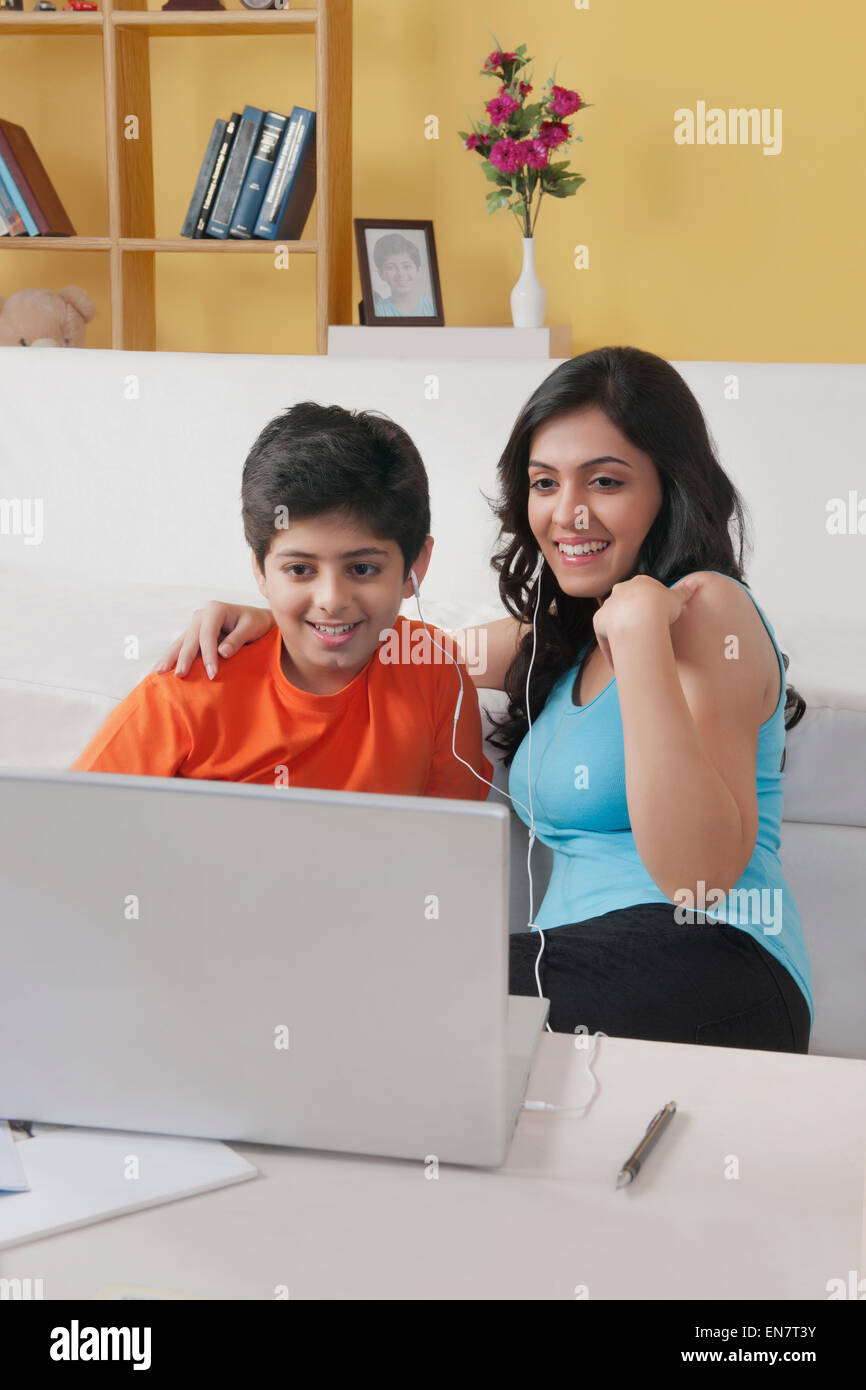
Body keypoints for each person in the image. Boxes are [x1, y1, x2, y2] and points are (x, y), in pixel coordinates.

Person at [155, 347, 813, 1053]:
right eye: (544, 482)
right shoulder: (555, 646)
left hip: (717, 964)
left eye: (606, 481)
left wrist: (644, 642)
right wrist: (277, 624)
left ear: (669, 488)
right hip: (581, 963)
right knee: (351, 994)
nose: (569, 513)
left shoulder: (704, 610)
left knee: (372, 990)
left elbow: (698, 882)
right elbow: (381, 641)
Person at [73, 401, 492, 801]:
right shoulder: (185, 693)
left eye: (362, 569)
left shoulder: (437, 673)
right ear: (260, 569)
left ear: (414, 567)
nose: (331, 600)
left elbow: (455, 851)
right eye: (300, 570)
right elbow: (62, 837)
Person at [371, 232, 437, 317]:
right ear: (381, 274)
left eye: (406, 266)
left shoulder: (434, 309)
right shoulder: (377, 312)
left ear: (418, 270)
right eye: (391, 267)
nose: (401, 273)